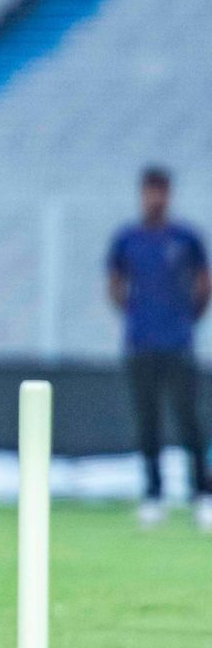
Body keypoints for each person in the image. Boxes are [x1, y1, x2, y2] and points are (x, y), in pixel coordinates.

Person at [107, 167, 212, 529]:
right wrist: (134, 316)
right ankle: (153, 493)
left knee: (189, 421)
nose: (156, 198)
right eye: (151, 191)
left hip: (178, 343)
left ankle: (202, 493)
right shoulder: (128, 239)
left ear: (169, 194)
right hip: (140, 344)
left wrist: (188, 317)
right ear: (142, 193)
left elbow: (203, 281)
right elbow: (115, 283)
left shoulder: (185, 239)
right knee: (147, 421)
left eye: (161, 191)